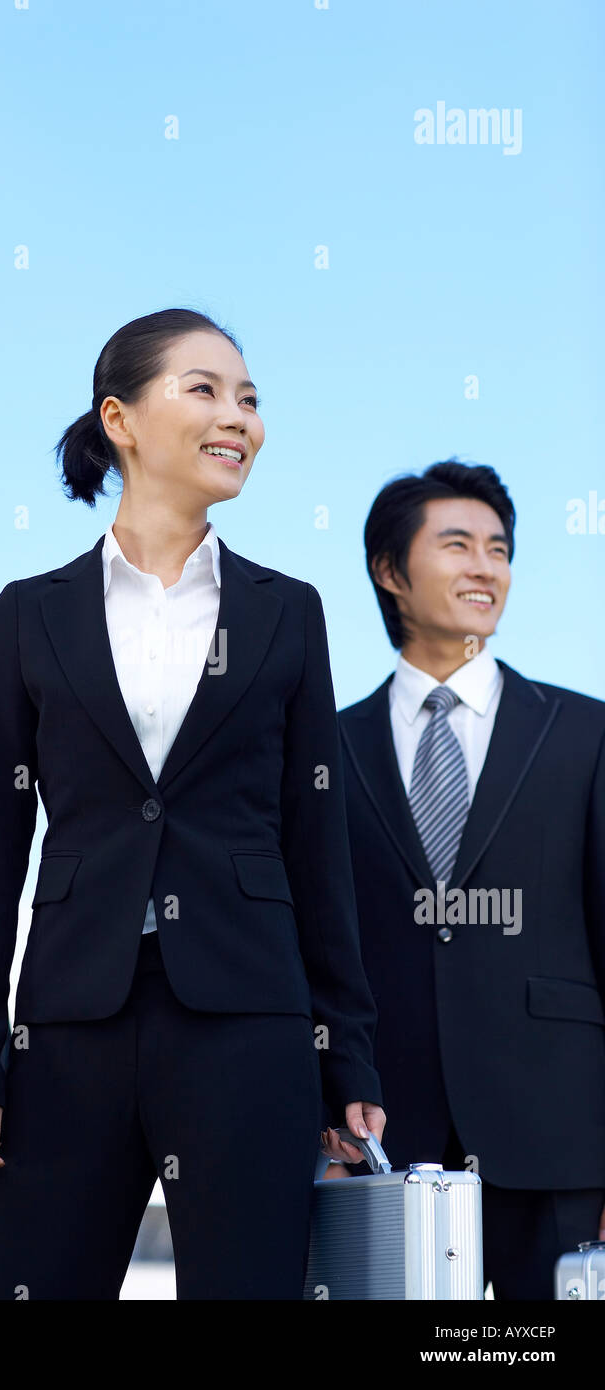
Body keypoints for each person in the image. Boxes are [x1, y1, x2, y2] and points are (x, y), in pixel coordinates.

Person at [0, 308, 385, 1300]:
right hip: (67, 1026)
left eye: (251, 399)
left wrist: (349, 1060)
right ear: (121, 418)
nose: (240, 417)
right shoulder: (27, 613)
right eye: (207, 389)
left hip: (251, 1024)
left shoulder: (288, 609)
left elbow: (320, 850)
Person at [337, 460, 605, 1299]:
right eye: (456, 544)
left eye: (499, 548)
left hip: (559, 1132)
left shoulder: (585, 733)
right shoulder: (325, 749)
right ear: (390, 570)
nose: (484, 566)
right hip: (382, 1136)